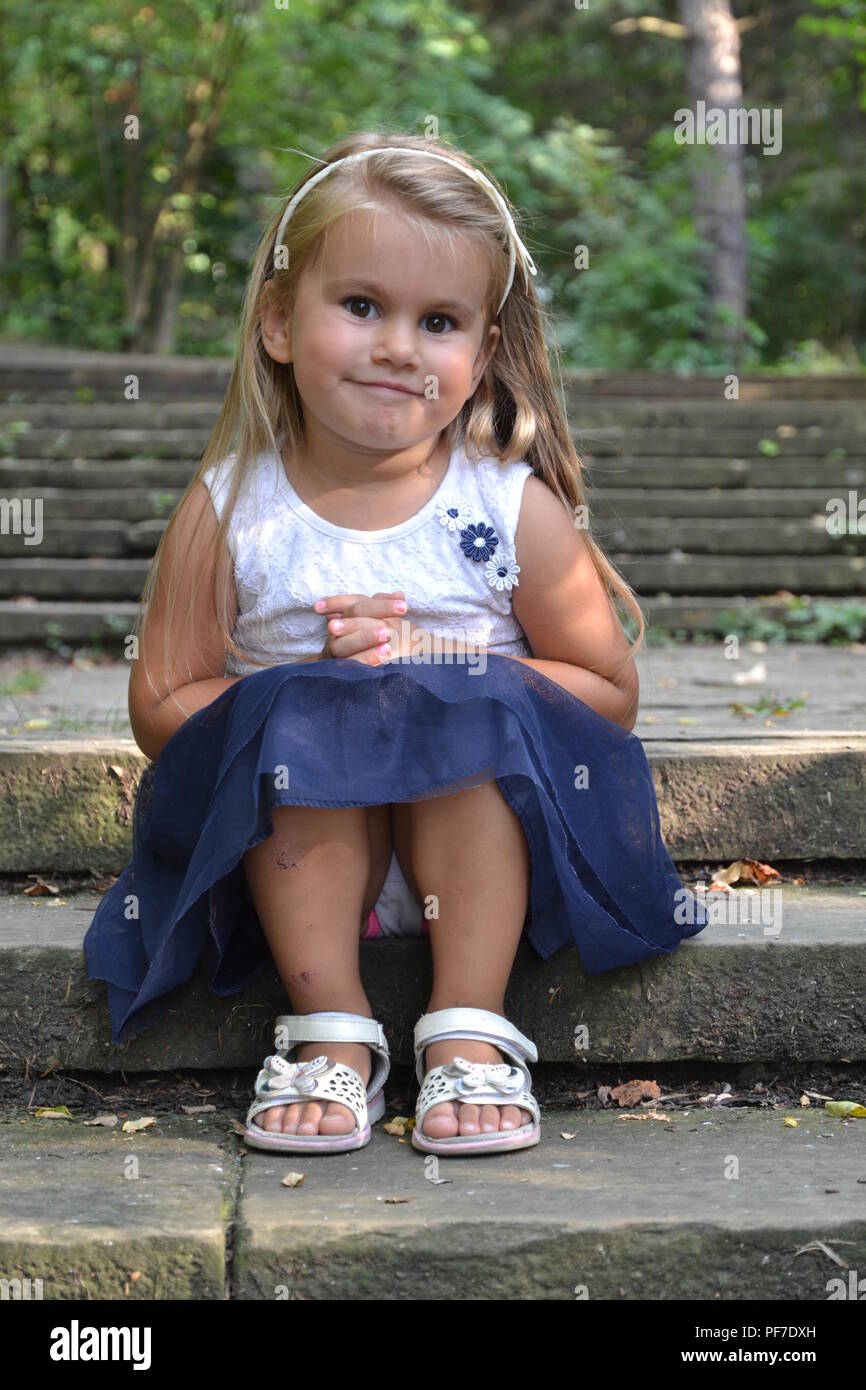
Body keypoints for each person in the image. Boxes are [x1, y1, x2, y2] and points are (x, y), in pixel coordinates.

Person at [84, 131, 709, 1159]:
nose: (398, 348)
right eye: (361, 306)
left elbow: (604, 693)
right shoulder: (234, 507)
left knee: (454, 713)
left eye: (439, 321)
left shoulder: (509, 506)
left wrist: (441, 672)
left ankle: (467, 1021)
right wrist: (308, 691)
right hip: (296, 858)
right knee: (301, 717)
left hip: (482, 857)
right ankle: (330, 1026)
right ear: (281, 321)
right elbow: (161, 706)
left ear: (483, 349)